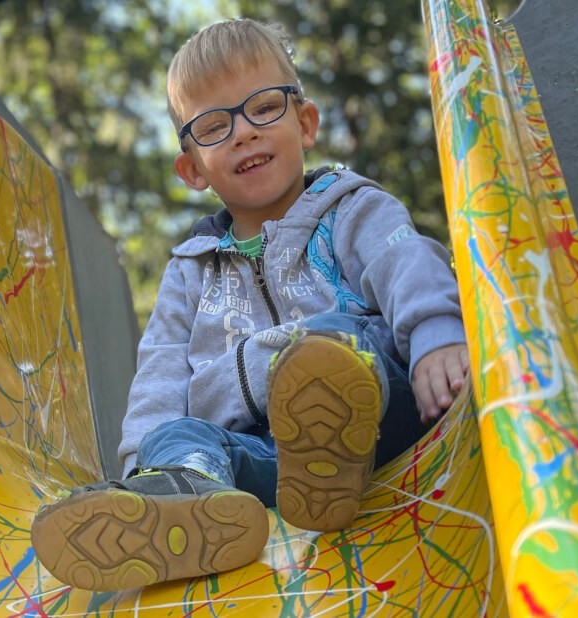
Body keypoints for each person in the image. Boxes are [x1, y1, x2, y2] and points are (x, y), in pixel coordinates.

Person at [29, 17, 469, 592]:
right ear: (191, 169)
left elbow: (404, 262)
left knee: (334, 342)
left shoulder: (349, 208)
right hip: (271, 461)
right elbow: (161, 368)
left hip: (378, 416)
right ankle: (181, 499)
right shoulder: (191, 269)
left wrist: (436, 335)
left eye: (263, 108)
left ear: (305, 123)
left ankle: (334, 435)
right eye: (214, 125)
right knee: (181, 435)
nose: (243, 133)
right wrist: (148, 460)